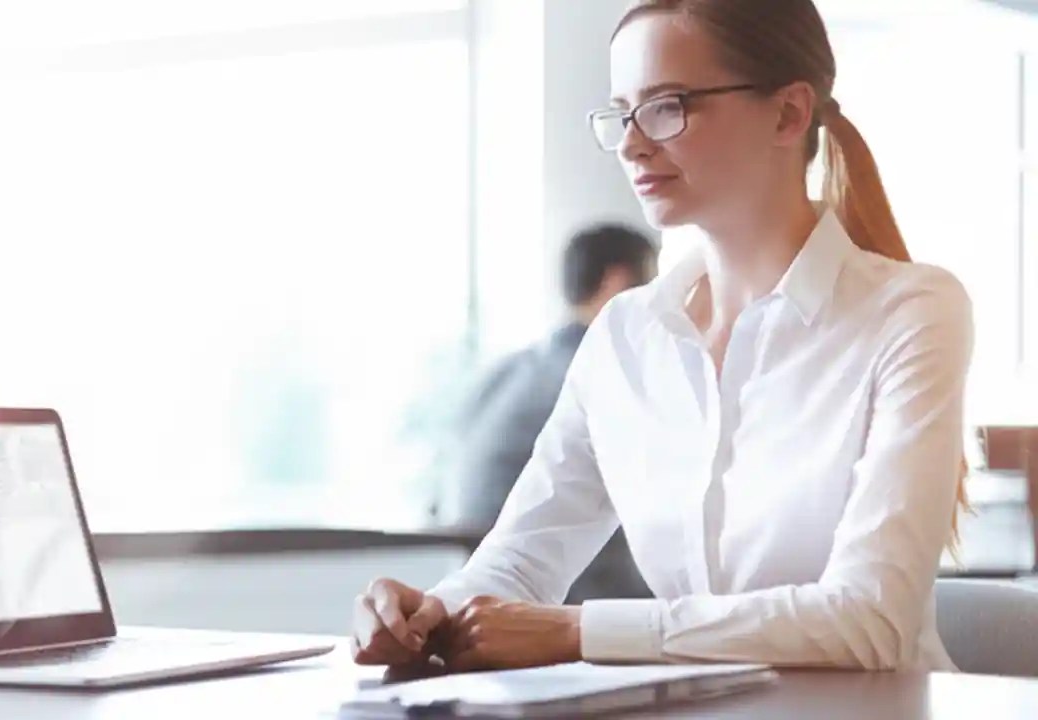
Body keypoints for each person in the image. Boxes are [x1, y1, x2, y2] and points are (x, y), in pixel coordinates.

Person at [351, 0, 973, 673]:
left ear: (789, 114)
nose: (632, 142)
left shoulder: (911, 311)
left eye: (668, 105)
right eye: (623, 112)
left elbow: (868, 620)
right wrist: (426, 617)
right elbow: (523, 559)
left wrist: (581, 632)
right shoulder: (626, 334)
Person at [448, 223, 658, 602]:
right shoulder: (609, 371)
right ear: (619, 283)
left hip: (472, 577)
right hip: (556, 594)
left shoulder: (508, 371)